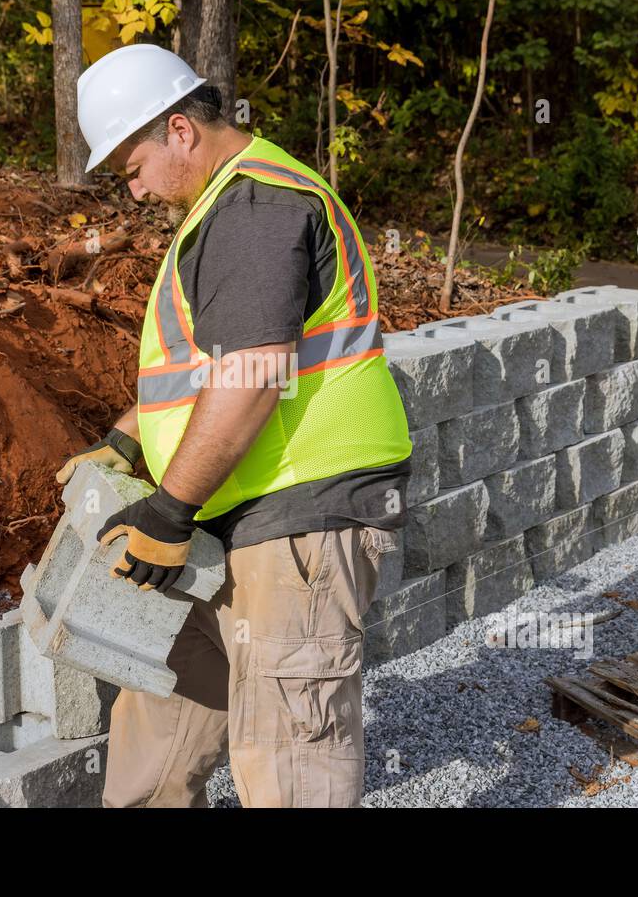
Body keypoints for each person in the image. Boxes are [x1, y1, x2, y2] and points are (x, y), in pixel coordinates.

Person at [55, 43, 412, 807]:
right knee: (162, 712)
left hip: (299, 517)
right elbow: (213, 364)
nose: (137, 191)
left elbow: (253, 375)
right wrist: (131, 434)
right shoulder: (227, 208)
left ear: (180, 129)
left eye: (133, 167)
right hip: (232, 519)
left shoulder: (256, 207)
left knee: (289, 758)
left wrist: (169, 507)